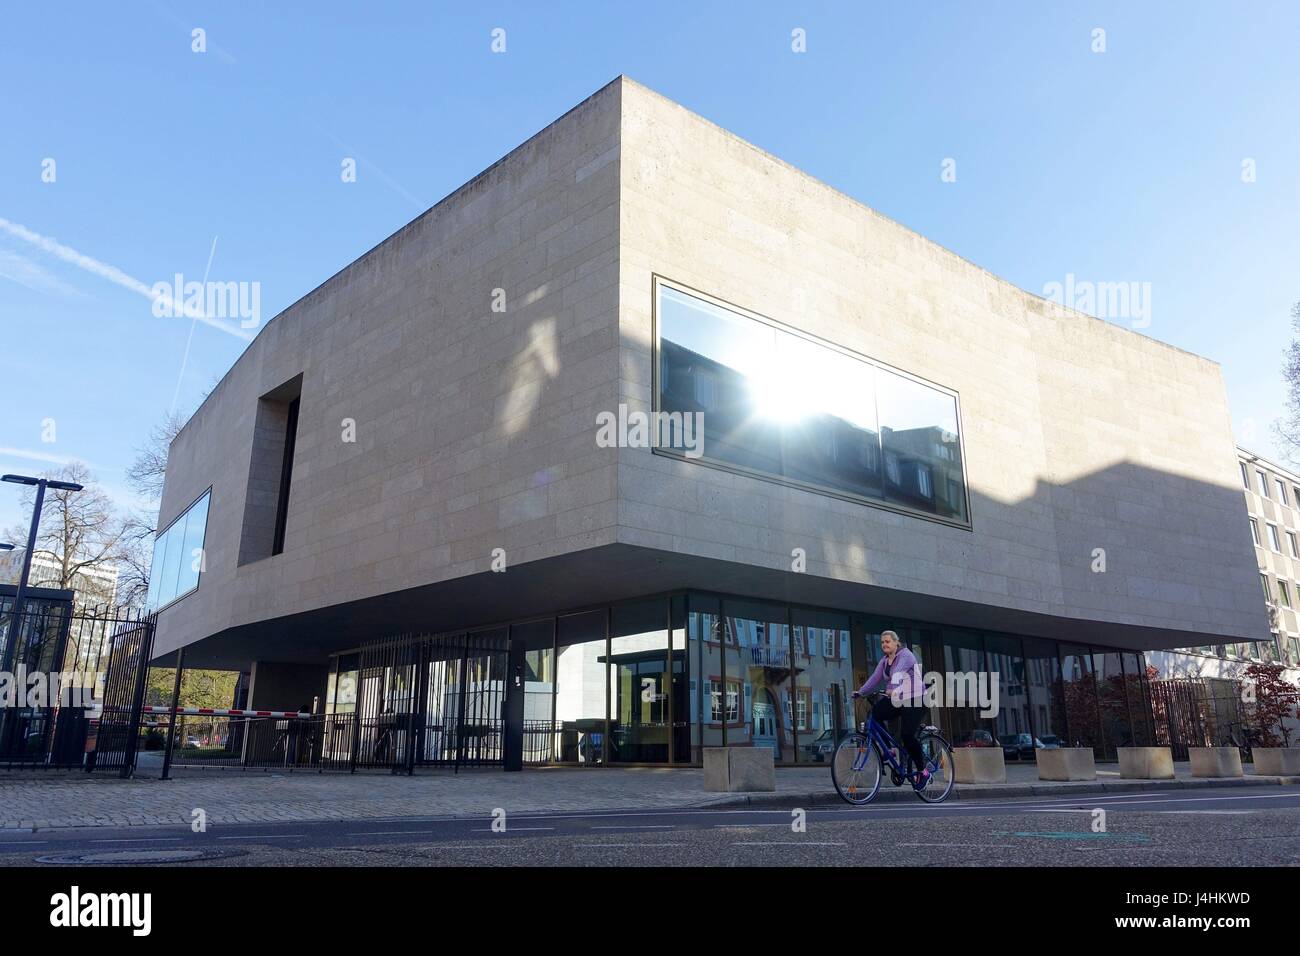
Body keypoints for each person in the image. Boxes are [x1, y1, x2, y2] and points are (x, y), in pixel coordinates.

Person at [851, 629, 932, 790]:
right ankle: (890, 750)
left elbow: (898, 674)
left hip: (915, 699)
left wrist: (893, 688)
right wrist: (861, 692)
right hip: (897, 699)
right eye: (882, 642)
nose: (884, 645)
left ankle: (923, 771)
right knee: (874, 714)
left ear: (896, 642)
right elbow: (875, 678)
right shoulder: (884, 661)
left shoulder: (906, 655)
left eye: (887, 641)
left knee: (907, 735)